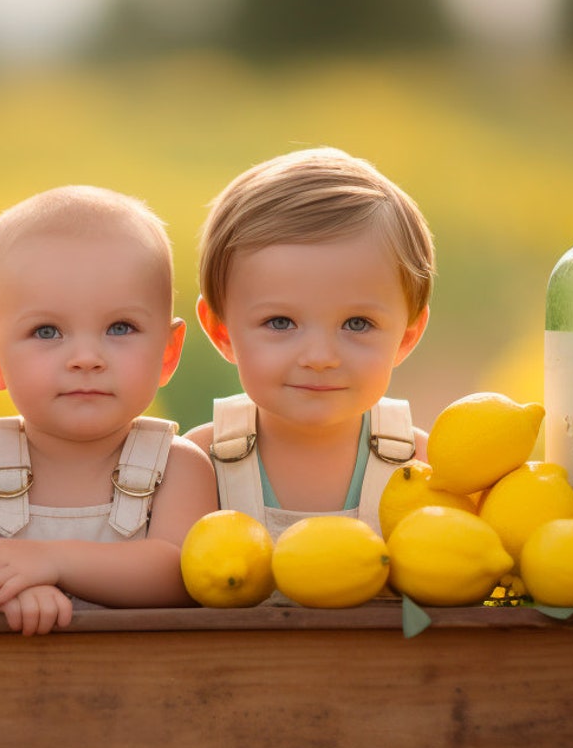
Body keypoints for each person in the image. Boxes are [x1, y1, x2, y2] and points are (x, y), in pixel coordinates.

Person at [0, 185, 218, 635]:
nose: (86, 358)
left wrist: (51, 561)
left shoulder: (179, 466)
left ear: (167, 351)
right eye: (47, 331)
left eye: (120, 327)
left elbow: (180, 574)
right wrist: (11, 593)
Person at [186, 146, 434, 542]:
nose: (320, 358)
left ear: (407, 335)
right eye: (280, 322)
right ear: (222, 332)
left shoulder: (423, 465)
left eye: (357, 324)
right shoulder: (196, 466)